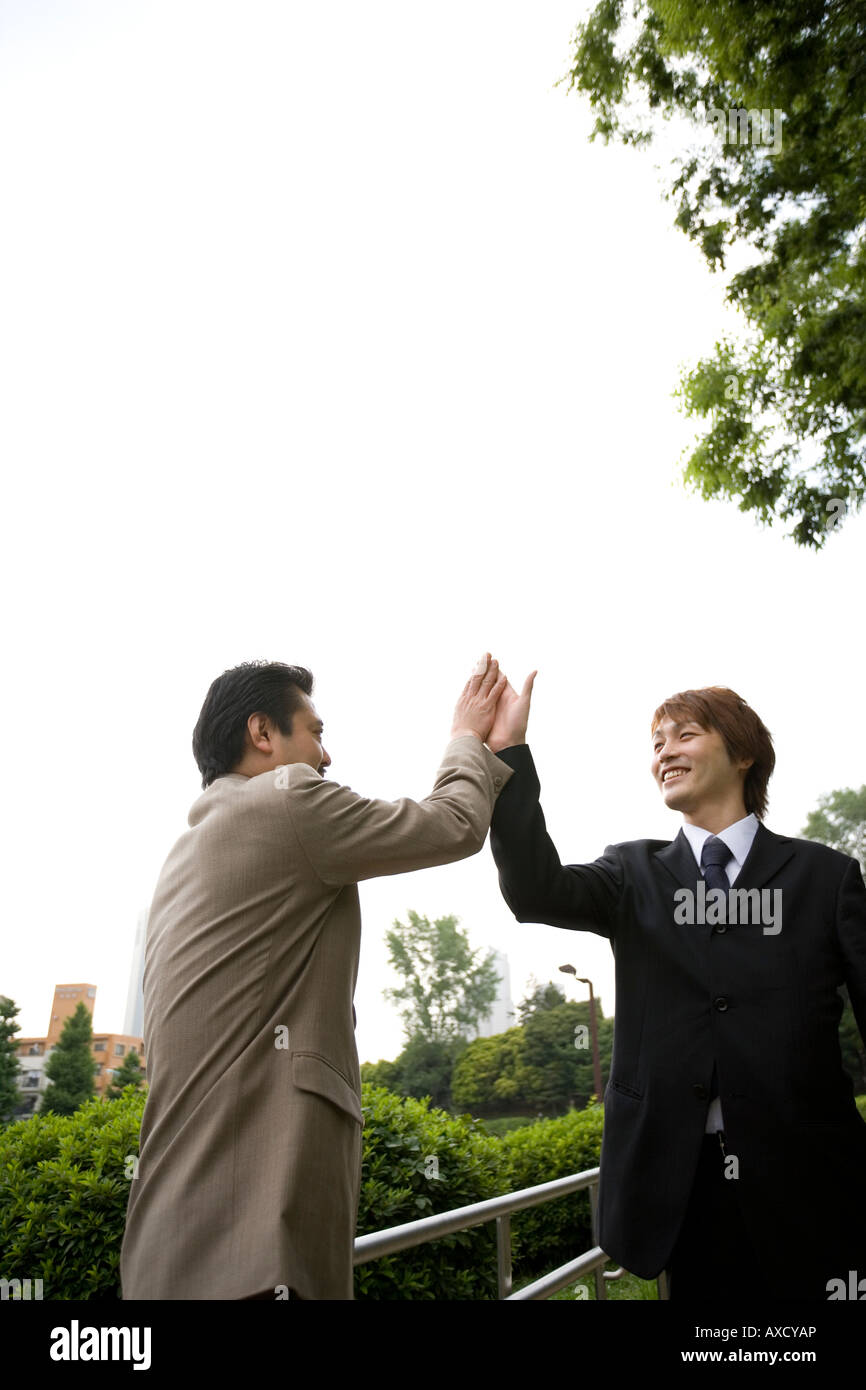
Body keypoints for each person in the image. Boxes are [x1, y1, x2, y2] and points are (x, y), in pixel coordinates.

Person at [120, 653, 513, 1300]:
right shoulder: (286, 801)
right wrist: (469, 737)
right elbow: (455, 825)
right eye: (316, 732)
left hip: (166, 1260)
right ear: (263, 734)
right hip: (254, 1260)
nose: (327, 757)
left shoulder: (183, 854)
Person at [486, 673, 866, 1301]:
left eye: (685, 735)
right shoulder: (632, 873)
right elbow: (533, 890)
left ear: (744, 754)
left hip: (810, 1181)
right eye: (656, 742)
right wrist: (508, 754)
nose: (664, 752)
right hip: (679, 1185)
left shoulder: (826, 879)